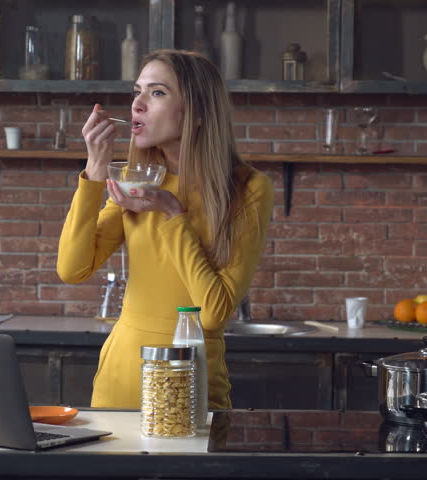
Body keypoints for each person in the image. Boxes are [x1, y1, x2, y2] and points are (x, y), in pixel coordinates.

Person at [56, 49, 273, 409]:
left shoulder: (248, 189)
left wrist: (173, 215)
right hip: (119, 384)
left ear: (199, 112)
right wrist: (95, 171)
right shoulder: (136, 179)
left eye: (157, 93)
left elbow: (214, 312)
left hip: (193, 387)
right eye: (136, 92)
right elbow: (72, 269)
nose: (137, 105)